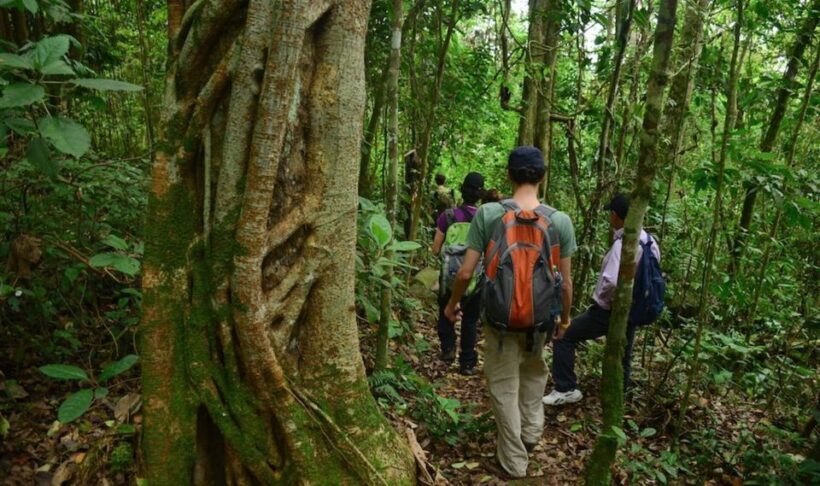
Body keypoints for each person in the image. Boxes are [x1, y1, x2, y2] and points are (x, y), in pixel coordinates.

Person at [445, 147, 576, 478]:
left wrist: (452, 304)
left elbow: (465, 273)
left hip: (500, 319)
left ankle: (514, 462)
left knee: (503, 384)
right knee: (534, 373)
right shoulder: (560, 220)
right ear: (543, 176)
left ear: (509, 174)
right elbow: (566, 284)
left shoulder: (488, 214)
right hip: (541, 319)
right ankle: (531, 434)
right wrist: (564, 320)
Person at [543, 193, 661, 406]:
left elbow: (611, 282)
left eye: (611, 214)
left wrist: (602, 301)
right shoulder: (649, 241)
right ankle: (618, 397)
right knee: (623, 352)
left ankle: (565, 387)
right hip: (634, 309)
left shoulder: (623, 244)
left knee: (564, 335)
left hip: (610, 310)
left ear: (616, 216)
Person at [432, 172, 485, 375]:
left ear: (462, 189)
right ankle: (467, 363)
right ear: (480, 195)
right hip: (475, 276)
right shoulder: (484, 218)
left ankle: (447, 349)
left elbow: (436, 249)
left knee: (445, 308)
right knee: (471, 319)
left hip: (450, 275)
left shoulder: (448, 216)